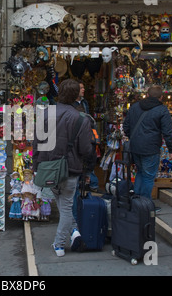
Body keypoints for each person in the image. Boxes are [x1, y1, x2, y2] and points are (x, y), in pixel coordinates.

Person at [33, 79, 97, 257]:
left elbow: (37, 144)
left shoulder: (45, 114)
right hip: (70, 169)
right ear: (77, 95)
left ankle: (74, 233)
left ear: (59, 93)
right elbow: (85, 149)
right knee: (67, 207)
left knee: (63, 206)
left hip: (48, 168)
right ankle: (60, 244)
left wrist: (35, 166)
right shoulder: (81, 119)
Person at [123, 85, 172, 206]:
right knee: (148, 176)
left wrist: (134, 138)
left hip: (135, 146)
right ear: (161, 97)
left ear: (147, 95)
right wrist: (171, 149)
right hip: (151, 147)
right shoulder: (162, 110)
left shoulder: (135, 106)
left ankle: (136, 201)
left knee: (141, 172)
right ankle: (145, 204)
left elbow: (126, 126)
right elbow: (167, 132)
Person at [72, 82, 99, 191]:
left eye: (83, 87)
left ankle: (91, 184)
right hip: (78, 138)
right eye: (81, 88)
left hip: (86, 137)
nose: (83, 90)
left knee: (87, 161)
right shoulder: (71, 105)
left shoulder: (84, 103)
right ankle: (91, 184)